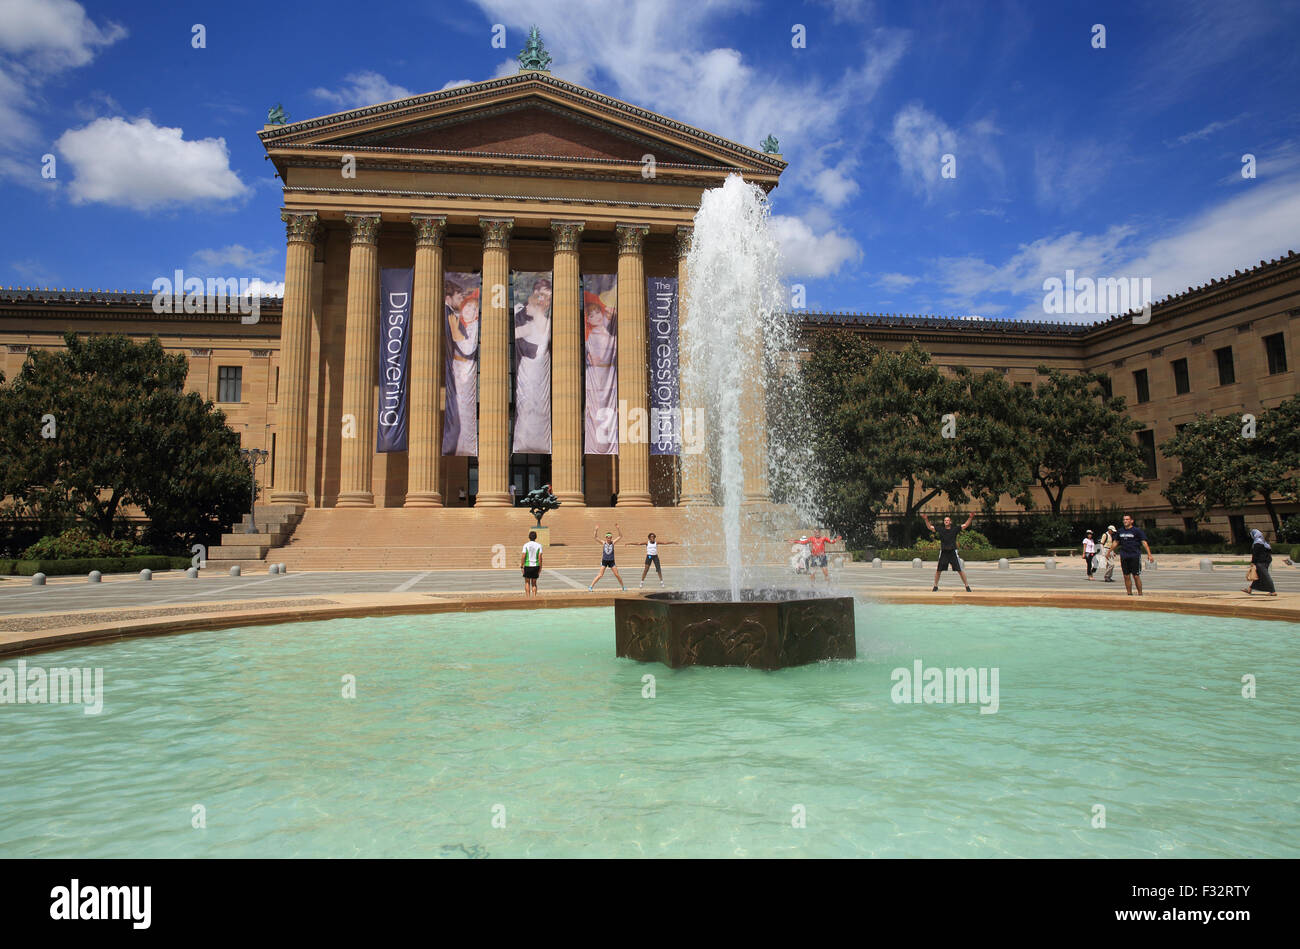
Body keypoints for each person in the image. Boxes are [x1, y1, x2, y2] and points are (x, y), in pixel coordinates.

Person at [512, 275, 553, 453]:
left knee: (537, 415)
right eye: (541, 295)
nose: (544, 300)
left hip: (541, 383)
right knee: (525, 415)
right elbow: (517, 336)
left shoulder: (547, 322)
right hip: (525, 376)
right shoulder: (520, 313)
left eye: (548, 297)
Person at [921, 512, 975, 592]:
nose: (946, 521)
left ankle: (967, 586)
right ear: (944, 522)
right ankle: (935, 586)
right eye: (945, 520)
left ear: (950, 522)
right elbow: (930, 527)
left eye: (948, 520)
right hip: (944, 552)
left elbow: (965, 525)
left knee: (960, 570)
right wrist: (926, 519)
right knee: (938, 570)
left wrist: (970, 518)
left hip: (953, 552)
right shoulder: (940, 529)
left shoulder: (954, 529)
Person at [1114, 514, 1155, 596]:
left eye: (1127, 519)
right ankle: (1129, 594)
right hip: (1124, 556)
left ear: (1131, 521)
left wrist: (1149, 554)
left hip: (1135, 556)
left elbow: (1144, 542)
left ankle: (1140, 594)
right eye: (1124, 519)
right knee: (1126, 576)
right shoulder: (1120, 531)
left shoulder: (1137, 531)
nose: (1125, 521)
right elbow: (1116, 542)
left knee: (1136, 576)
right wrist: (1109, 551)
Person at [589, 524, 625, 591]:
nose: (609, 539)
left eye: (610, 537)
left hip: (611, 561)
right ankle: (591, 586)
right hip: (605, 561)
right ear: (606, 538)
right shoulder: (603, 543)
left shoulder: (613, 542)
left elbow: (620, 536)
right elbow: (595, 537)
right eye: (608, 538)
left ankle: (623, 587)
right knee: (600, 575)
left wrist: (618, 528)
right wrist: (596, 530)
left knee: (617, 574)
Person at [1243, 528, 1277, 596]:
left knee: (1265, 576)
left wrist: (1253, 562)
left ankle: (1273, 591)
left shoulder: (1257, 542)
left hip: (1261, 562)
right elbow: (1269, 551)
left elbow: (1255, 553)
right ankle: (1250, 589)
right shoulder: (1263, 541)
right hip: (1266, 560)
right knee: (1259, 575)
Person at [520, 530, 543, 598]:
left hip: (527, 565)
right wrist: (540, 567)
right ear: (536, 537)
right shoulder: (539, 545)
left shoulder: (526, 545)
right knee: (534, 583)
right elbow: (540, 557)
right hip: (536, 565)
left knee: (527, 582)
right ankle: (534, 597)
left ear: (529, 537)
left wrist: (521, 565)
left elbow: (523, 556)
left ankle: (527, 597)